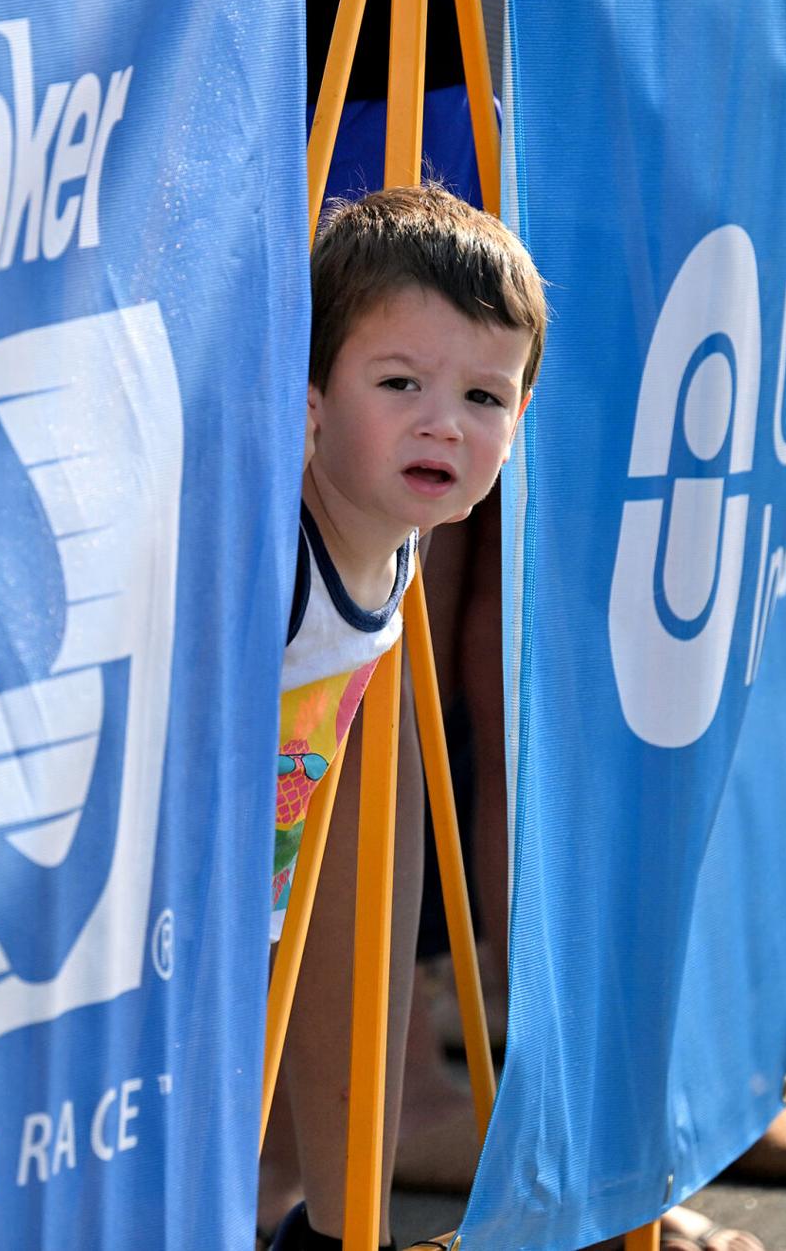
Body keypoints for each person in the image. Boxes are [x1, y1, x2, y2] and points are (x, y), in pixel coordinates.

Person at [265, 183, 546, 1251]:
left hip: (271, 894)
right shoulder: (275, 554)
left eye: (487, 396)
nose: (446, 420)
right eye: (400, 381)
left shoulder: (398, 534)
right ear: (311, 399)